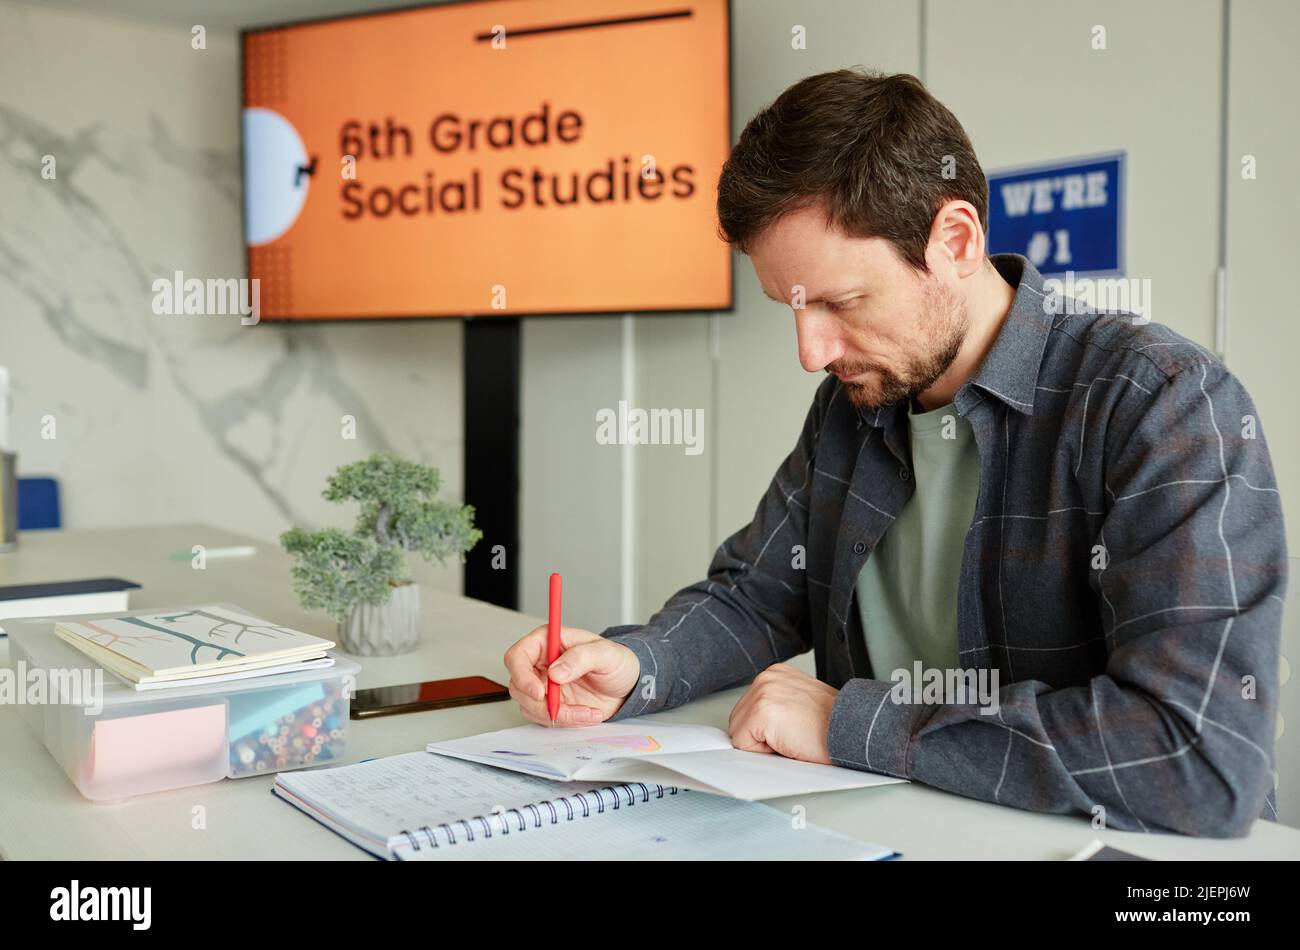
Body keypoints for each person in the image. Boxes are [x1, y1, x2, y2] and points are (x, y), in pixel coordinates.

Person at [503, 70, 1287, 837]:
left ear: (955, 239)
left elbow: (1197, 757)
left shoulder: (1163, 402)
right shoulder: (855, 400)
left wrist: (860, 724)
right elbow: (759, 594)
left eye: (843, 303)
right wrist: (640, 666)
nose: (812, 353)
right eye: (795, 310)